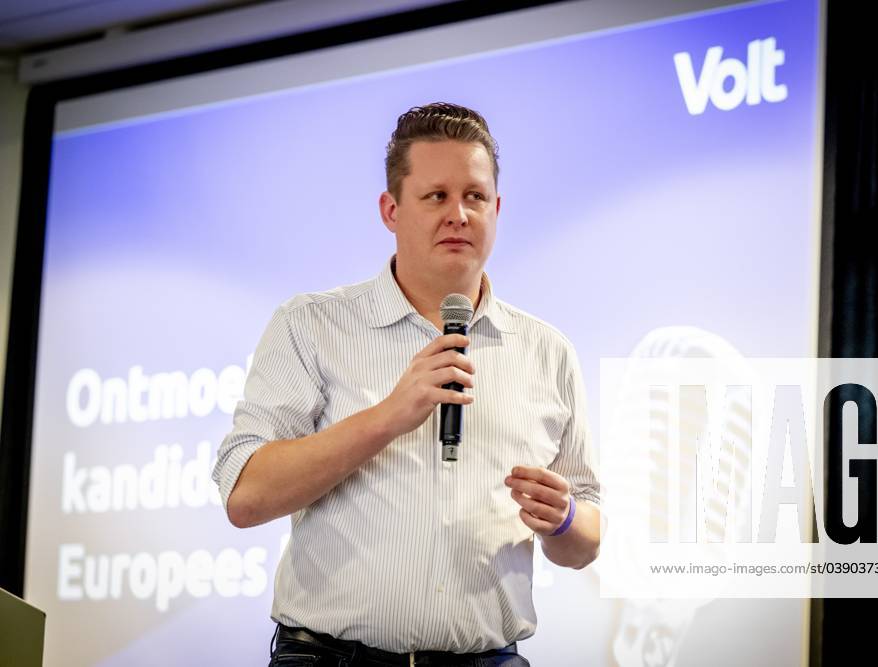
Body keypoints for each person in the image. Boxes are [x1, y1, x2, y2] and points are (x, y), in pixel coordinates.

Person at [212, 102, 601, 666]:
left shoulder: (548, 351)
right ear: (390, 210)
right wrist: (390, 414)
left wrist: (565, 519)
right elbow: (245, 497)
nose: (459, 215)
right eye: (436, 196)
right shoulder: (312, 325)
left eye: (475, 196)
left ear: (498, 207)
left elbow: (585, 539)